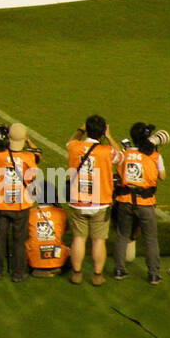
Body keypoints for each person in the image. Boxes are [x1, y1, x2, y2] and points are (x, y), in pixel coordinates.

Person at [66, 114, 119, 285]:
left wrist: (80, 130)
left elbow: (69, 143)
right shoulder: (107, 151)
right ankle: (97, 275)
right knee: (98, 240)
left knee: (78, 238)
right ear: (102, 131)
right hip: (100, 202)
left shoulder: (75, 147)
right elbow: (121, 157)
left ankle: (77, 273)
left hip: (78, 200)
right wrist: (109, 136)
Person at [112, 123, 165, 284]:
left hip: (125, 201)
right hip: (146, 202)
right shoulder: (154, 155)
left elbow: (115, 163)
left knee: (122, 236)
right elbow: (162, 176)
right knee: (150, 239)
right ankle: (154, 274)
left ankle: (119, 270)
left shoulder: (125, 153)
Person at [0, 123, 38, 282]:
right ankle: (18, 273)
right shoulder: (29, 157)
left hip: (1, 203)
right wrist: (28, 141)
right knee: (19, 240)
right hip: (20, 205)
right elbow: (37, 160)